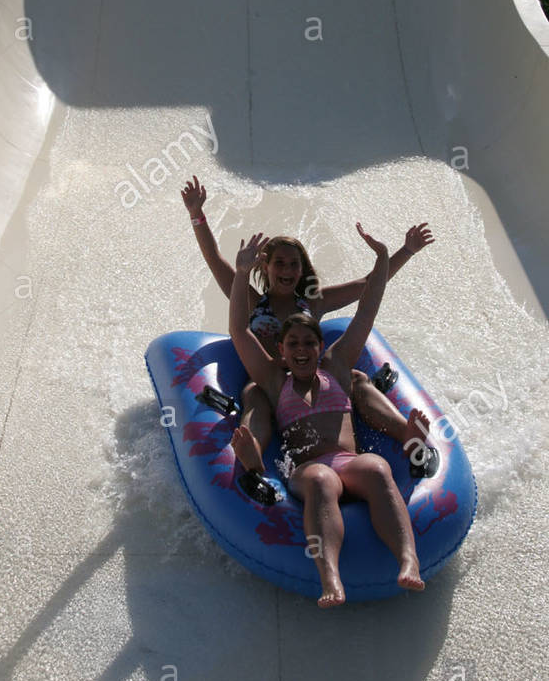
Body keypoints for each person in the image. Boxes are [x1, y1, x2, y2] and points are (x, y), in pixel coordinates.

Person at [180, 176, 437, 474]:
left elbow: (368, 286)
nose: (287, 270)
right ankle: (253, 455)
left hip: (314, 382)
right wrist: (196, 214)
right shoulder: (252, 301)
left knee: (355, 379)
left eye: (294, 264)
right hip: (270, 379)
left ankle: (407, 435)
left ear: (302, 270)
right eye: (280, 263)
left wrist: (407, 250)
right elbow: (214, 259)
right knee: (253, 394)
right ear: (266, 267)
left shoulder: (314, 302)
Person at [229, 230, 426, 606]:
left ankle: (408, 559)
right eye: (293, 345)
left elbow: (366, 310)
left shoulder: (336, 367)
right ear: (282, 353)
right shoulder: (273, 379)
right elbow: (239, 330)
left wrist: (385, 257)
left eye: (309, 343)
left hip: (348, 461)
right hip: (307, 467)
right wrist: (241, 273)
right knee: (321, 480)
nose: (302, 351)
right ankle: (331, 579)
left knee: (378, 467)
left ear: (321, 346)